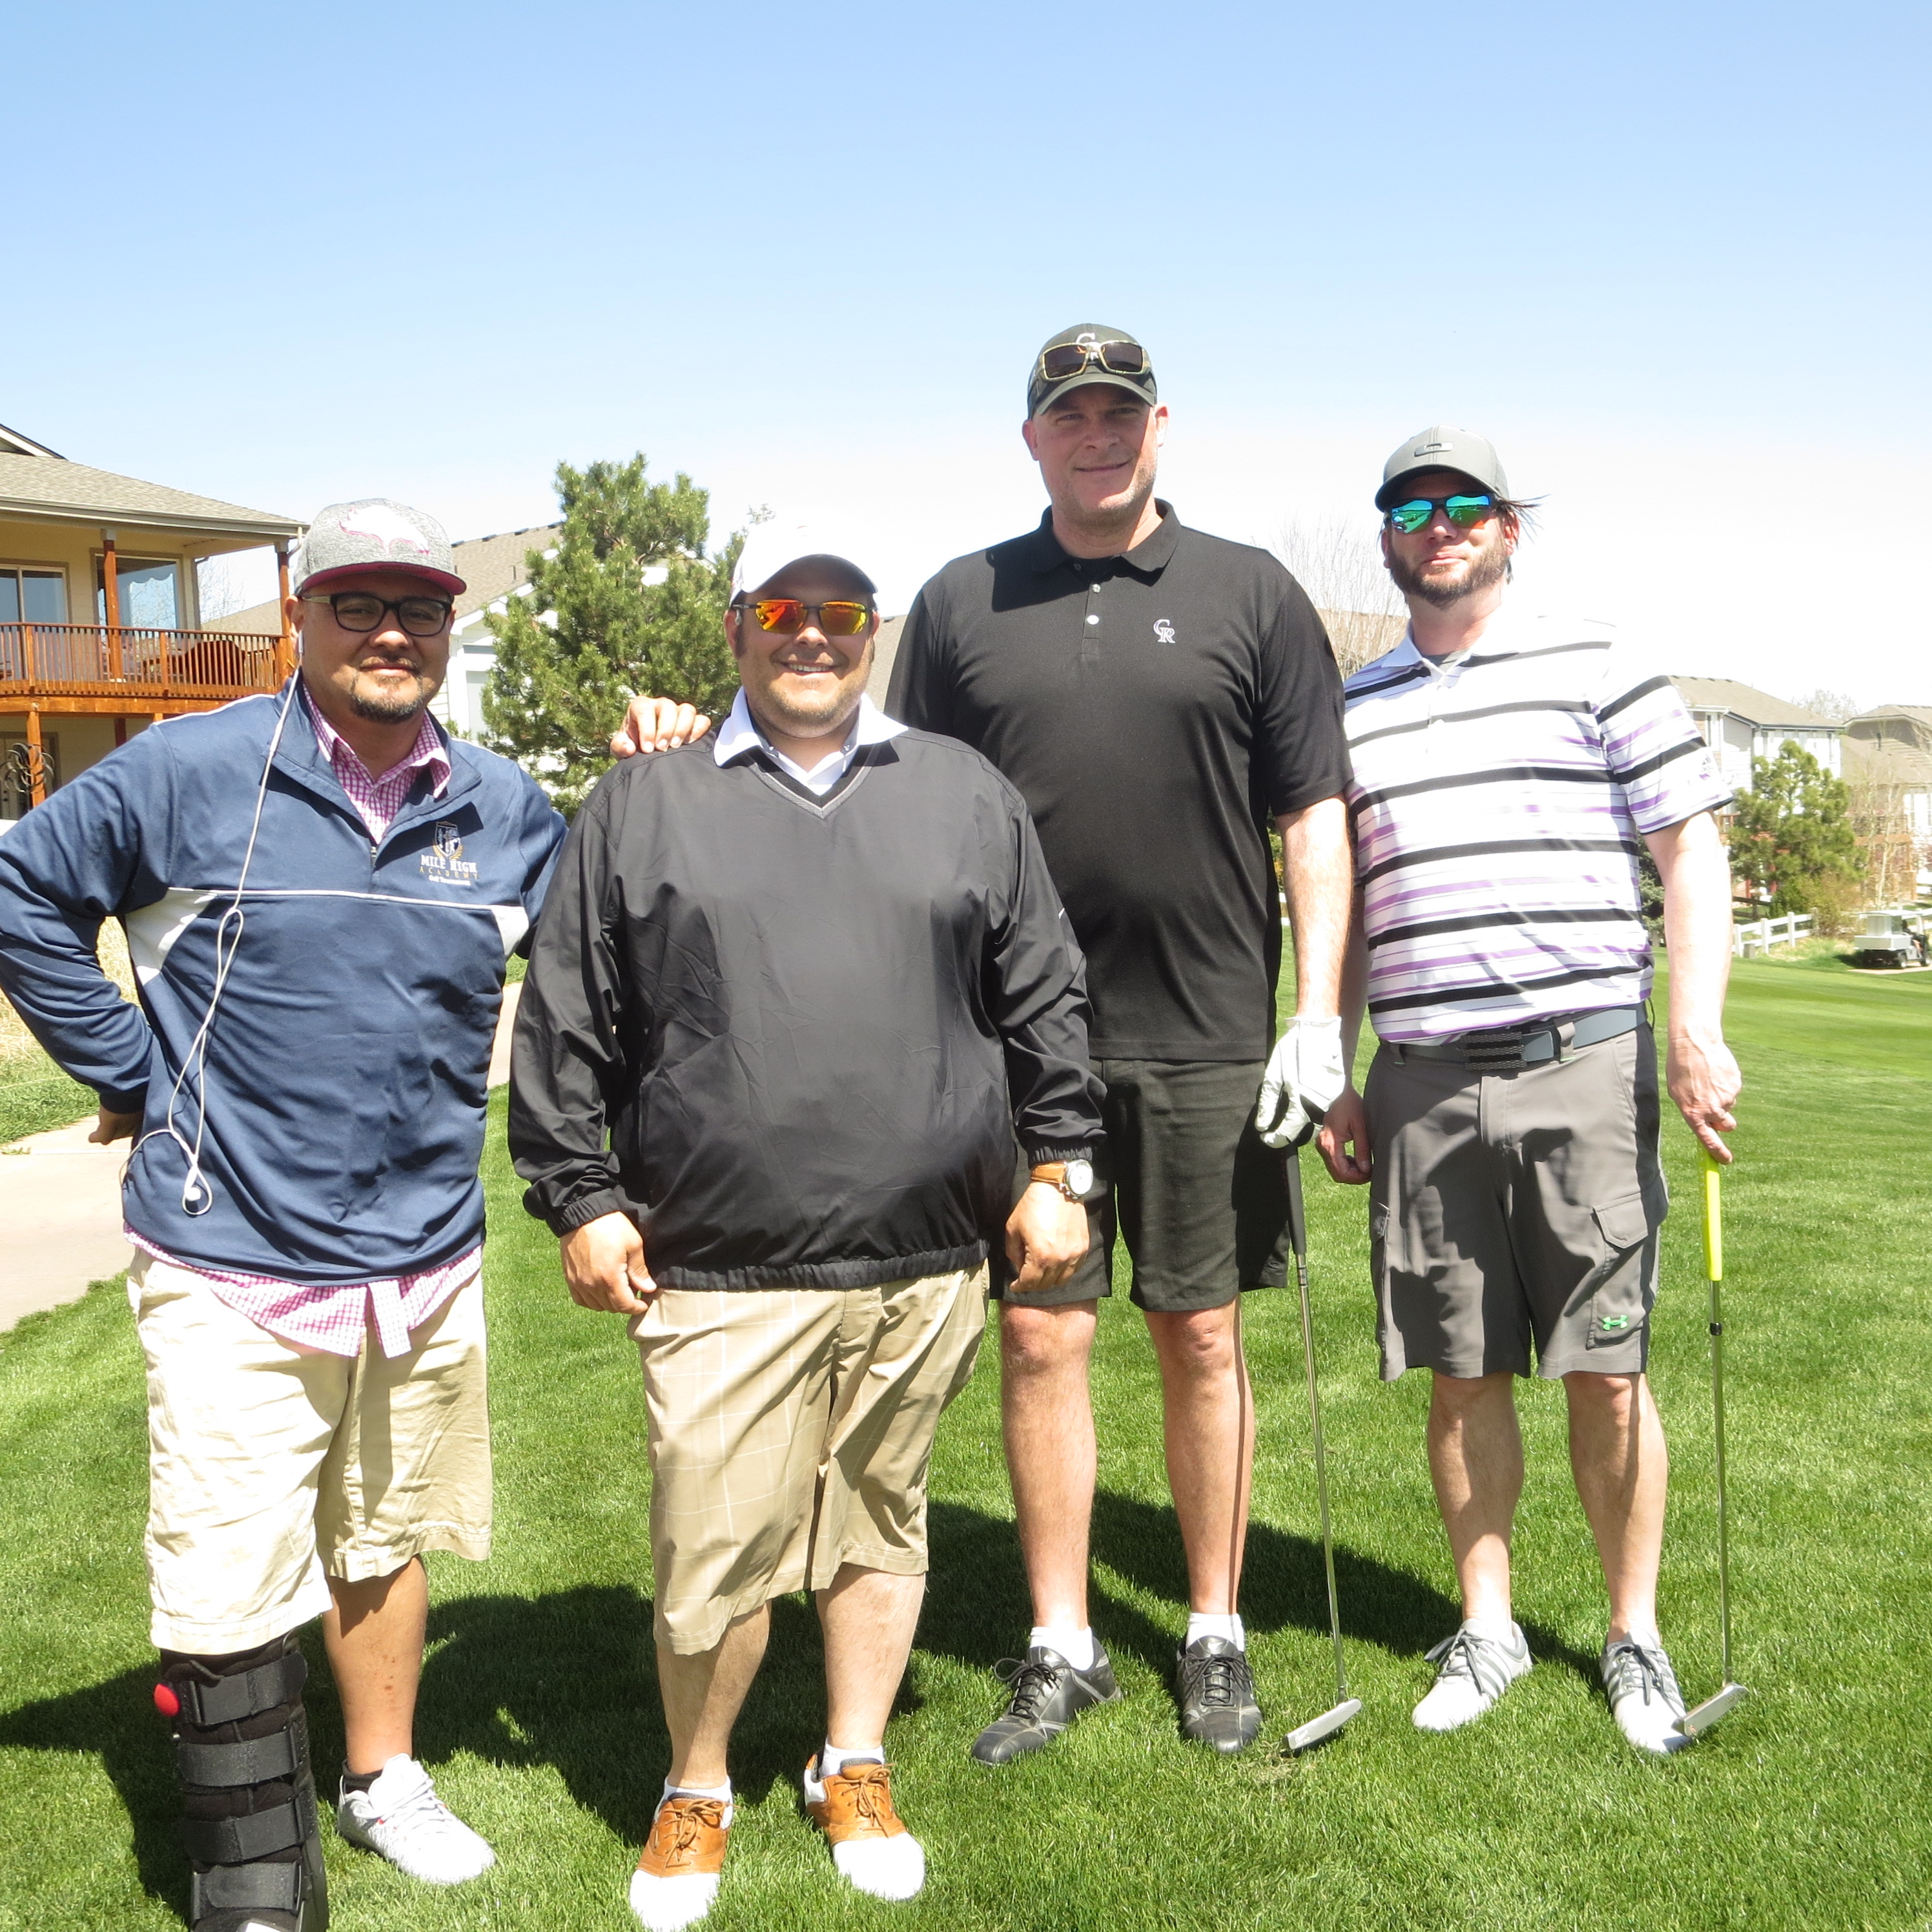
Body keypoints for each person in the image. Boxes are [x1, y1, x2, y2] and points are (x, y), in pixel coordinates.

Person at [613, 327, 1355, 1758]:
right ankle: (1059, 1638)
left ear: (1158, 426)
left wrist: (1316, 1013)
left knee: (1199, 1331)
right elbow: (844, 748)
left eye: (1119, 413)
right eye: (1069, 415)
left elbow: (1309, 813)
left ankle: (1210, 1622)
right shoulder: (961, 601)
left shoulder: (1251, 592)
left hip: (1203, 1030)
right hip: (1009, 1044)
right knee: (1035, 1335)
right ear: (1030, 438)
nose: (1097, 434)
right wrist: (680, 722)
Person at [509, 532, 1102, 1930]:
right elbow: (567, 1019)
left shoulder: (958, 790)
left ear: (873, 632)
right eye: (784, 612)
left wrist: (1061, 1162)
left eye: (839, 615)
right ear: (737, 631)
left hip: (924, 1258)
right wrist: (580, 1196)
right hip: (721, 1261)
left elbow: (1043, 993)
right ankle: (697, 1782)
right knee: (712, 1542)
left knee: (879, 1523)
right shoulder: (643, 800)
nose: (813, 636)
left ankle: (855, 1758)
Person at [0, 500, 564, 1931]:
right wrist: (132, 1067)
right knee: (229, 1551)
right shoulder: (190, 769)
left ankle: (381, 1775)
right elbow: (21, 886)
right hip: (229, 1251)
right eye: (359, 605)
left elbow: (610, 968)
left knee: (385, 1531)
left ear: (447, 625)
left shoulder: (503, 809)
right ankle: (251, 1867)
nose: (393, 631)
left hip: (424, 1256)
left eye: (420, 607)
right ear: (298, 621)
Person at [1317, 426, 1741, 1755]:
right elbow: (1338, 907)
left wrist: (1695, 1026)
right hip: (1423, 1076)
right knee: (1460, 1367)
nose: (1435, 523)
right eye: (1409, 505)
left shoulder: (1599, 660)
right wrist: (1331, 1054)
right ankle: (1486, 1623)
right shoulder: (1353, 701)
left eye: (1461, 503)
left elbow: (1687, 853)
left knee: (1603, 1369)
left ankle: (1631, 1635)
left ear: (1507, 524)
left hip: (1583, 1059)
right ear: (1386, 534)